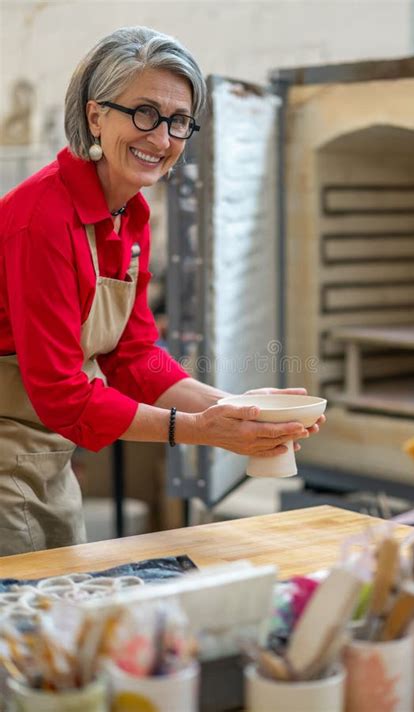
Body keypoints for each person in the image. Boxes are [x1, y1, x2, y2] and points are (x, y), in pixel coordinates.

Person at [0, 26, 325, 557]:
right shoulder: (41, 219)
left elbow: (133, 357)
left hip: (45, 455)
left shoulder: (131, 215)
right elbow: (61, 393)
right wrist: (202, 430)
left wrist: (239, 410)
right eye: (144, 112)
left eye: (178, 121)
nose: (161, 137)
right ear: (94, 117)